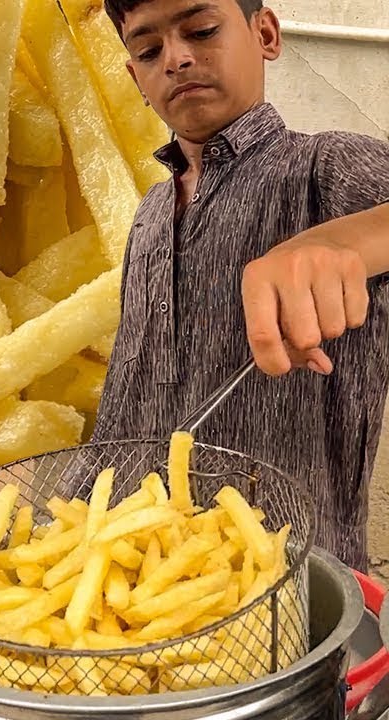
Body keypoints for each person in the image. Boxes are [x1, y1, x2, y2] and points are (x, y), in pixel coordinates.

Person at [92, 0, 389, 570]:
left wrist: (343, 242)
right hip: (124, 579)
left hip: (289, 582)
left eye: (201, 31)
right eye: (149, 50)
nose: (176, 59)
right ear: (135, 78)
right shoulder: (150, 213)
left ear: (266, 34)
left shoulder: (324, 167)